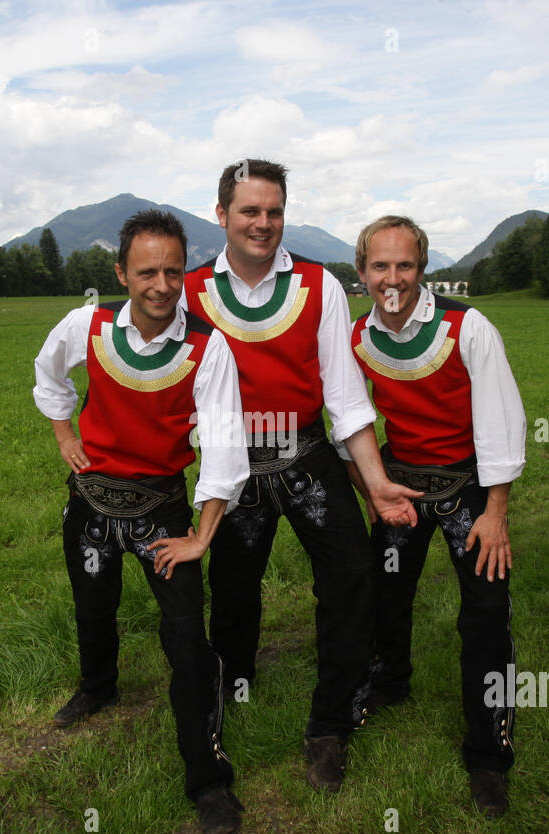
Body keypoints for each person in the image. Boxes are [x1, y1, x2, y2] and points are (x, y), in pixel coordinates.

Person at [181, 159, 421, 793]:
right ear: (222, 214)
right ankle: (233, 684)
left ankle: (331, 724)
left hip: (310, 454)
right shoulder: (189, 291)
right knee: (232, 590)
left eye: (274, 211)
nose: (263, 223)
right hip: (236, 464)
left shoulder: (321, 286)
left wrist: (373, 483)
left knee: (351, 578)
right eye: (249, 211)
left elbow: (344, 397)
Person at [32, 209, 250, 834]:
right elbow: (48, 374)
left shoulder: (208, 348)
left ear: (185, 273)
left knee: (186, 639)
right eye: (147, 271)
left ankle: (208, 781)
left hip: (161, 509)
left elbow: (225, 446)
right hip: (91, 502)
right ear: (122, 272)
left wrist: (203, 535)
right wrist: (65, 432)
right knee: (92, 606)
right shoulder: (88, 324)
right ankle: (97, 688)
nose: (161, 285)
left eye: (173, 272)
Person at [344, 215, 526, 819]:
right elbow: (352, 422)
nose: (392, 278)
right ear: (362, 272)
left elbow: (501, 419)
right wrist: (371, 490)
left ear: (422, 269)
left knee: (485, 613)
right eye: (379, 266)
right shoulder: (356, 339)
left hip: (470, 484)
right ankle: (391, 682)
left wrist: (496, 512)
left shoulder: (466, 327)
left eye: (405, 265)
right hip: (400, 485)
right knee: (386, 594)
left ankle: (488, 753)